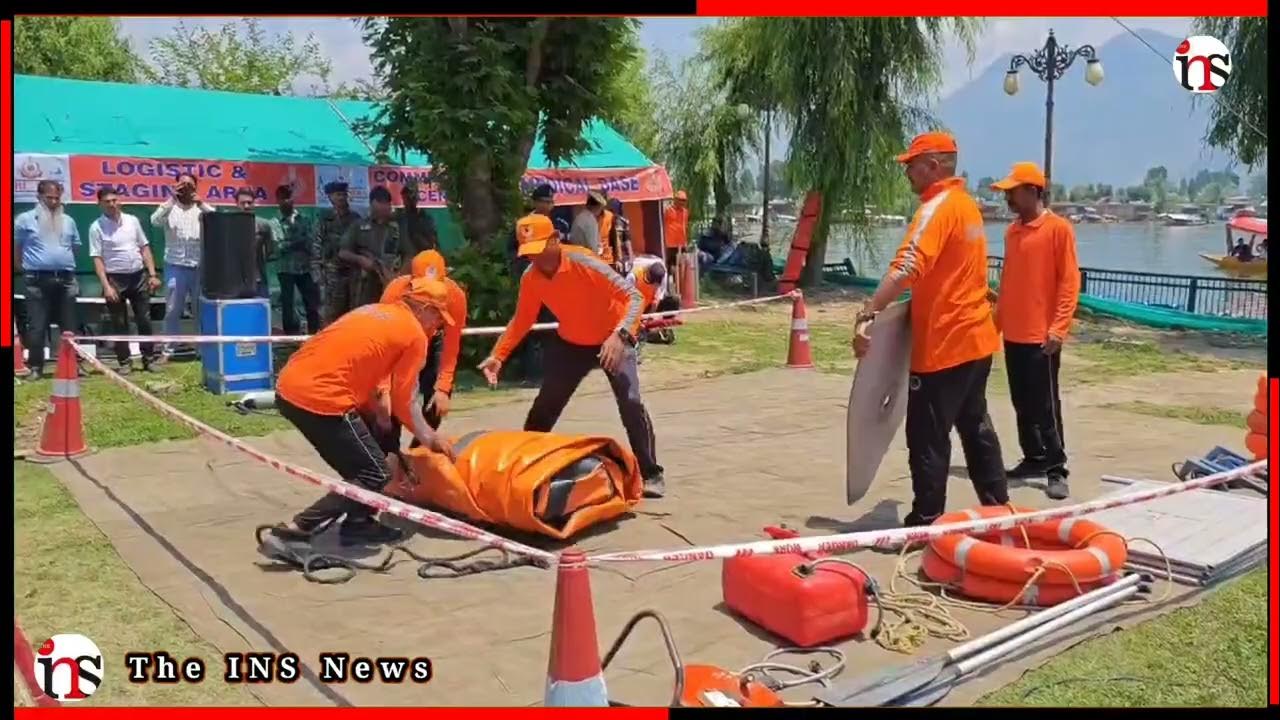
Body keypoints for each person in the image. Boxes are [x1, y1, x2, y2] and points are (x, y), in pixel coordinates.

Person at [852, 131, 1008, 527]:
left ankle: (926, 520)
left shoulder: (936, 209)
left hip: (945, 345)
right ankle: (999, 508)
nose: (907, 172)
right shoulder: (967, 207)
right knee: (975, 425)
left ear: (934, 167)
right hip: (976, 339)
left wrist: (870, 311)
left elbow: (907, 266)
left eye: (912, 165)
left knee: (927, 435)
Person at [478, 215, 667, 498]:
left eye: (541, 249)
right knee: (546, 404)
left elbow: (635, 297)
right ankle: (523, 464)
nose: (537, 258)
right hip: (572, 344)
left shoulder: (584, 262)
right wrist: (498, 356)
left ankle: (651, 473)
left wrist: (621, 335)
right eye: (529, 253)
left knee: (630, 401)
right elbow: (521, 321)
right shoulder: (531, 278)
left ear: (555, 239)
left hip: (613, 338)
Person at [267, 277, 458, 546]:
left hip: (289, 388)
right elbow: (405, 400)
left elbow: (361, 364)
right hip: (324, 399)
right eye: (438, 318)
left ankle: (359, 522)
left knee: (365, 464)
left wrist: (377, 412)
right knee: (376, 473)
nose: (437, 327)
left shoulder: (374, 312)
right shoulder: (414, 335)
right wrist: (429, 438)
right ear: (424, 308)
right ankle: (298, 529)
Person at [991, 163, 1080, 501]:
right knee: (1021, 401)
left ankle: (1056, 468)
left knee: (1045, 405)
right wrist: (995, 323)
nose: (1008, 198)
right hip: (1013, 332)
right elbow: (1011, 281)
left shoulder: (1059, 230)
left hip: (1041, 337)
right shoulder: (1013, 232)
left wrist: (1058, 328)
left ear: (1032, 191)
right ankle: (1033, 458)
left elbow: (1069, 283)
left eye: (1013, 192)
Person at [380, 250, 469, 434]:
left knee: (436, 404)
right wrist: (384, 388)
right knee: (388, 408)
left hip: (432, 341)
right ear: (411, 280)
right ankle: (389, 452)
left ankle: (421, 450)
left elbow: (452, 345)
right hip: (399, 346)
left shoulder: (456, 297)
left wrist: (443, 388)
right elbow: (383, 347)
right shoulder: (395, 291)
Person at [15, 180, 84, 377]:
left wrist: (61, 262)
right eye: (49, 197)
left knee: (69, 324)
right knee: (37, 325)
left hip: (66, 279)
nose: (53, 201)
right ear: (39, 197)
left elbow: (76, 247)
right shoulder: (25, 219)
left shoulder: (68, 220)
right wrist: (25, 269)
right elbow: (16, 248)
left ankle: (74, 366)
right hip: (36, 280)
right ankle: (36, 367)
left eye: (56, 198)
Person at [88, 186, 161, 373]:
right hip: (115, 279)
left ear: (119, 201)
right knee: (119, 323)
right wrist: (106, 286)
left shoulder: (132, 221)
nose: (112, 205)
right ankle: (125, 362)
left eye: (115, 200)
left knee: (144, 320)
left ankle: (149, 359)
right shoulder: (96, 227)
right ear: (100, 204)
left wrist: (152, 274)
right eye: (107, 202)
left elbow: (144, 248)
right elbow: (97, 258)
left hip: (138, 276)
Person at [151, 172, 215, 358]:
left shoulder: (201, 209)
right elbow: (154, 221)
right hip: (175, 265)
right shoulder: (170, 208)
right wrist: (172, 198)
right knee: (172, 309)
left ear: (195, 188)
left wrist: (200, 202)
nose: (186, 188)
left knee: (200, 310)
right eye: (182, 185)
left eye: (190, 185)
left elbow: (217, 220)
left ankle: (202, 350)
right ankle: (168, 350)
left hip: (199, 267)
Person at [337, 185, 400, 312]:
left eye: (386, 204)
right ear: (372, 204)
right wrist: (360, 259)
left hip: (390, 283)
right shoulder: (359, 226)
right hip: (364, 285)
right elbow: (343, 252)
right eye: (380, 204)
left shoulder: (397, 227)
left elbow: (408, 254)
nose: (384, 208)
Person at [273, 184, 322, 334]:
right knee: (288, 304)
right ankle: (290, 337)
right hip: (285, 268)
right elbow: (278, 246)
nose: (287, 201)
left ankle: (314, 333)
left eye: (289, 197)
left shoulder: (304, 219)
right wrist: (297, 242)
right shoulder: (275, 222)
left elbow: (311, 241)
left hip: (304, 267)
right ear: (278, 201)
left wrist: (293, 243)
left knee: (312, 302)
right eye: (283, 198)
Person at [314, 181, 363, 327]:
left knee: (353, 309)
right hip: (331, 273)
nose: (341, 197)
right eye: (337, 195)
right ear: (330, 197)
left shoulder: (355, 218)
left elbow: (362, 244)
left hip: (353, 272)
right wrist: (317, 273)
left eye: (343, 194)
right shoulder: (324, 219)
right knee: (331, 312)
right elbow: (316, 245)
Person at [234, 187, 277, 299]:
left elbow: (270, 251)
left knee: (260, 312)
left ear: (255, 203)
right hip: (234, 281)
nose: (246, 206)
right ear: (236, 204)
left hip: (259, 279)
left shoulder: (264, 225)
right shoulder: (230, 225)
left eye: (249, 202)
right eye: (243, 203)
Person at [395, 179, 438, 257]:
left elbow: (430, 244)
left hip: (422, 258)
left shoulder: (425, 219)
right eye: (404, 199)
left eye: (407, 199)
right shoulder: (402, 217)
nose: (405, 202)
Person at [663, 190, 690, 293]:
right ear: (675, 200)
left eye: (684, 200)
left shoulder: (685, 212)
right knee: (670, 266)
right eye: (680, 200)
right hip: (670, 244)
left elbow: (685, 227)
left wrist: (686, 242)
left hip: (682, 244)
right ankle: (670, 288)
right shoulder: (668, 210)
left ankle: (682, 288)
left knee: (681, 266)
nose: (682, 202)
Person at [608, 198, 634, 272]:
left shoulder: (623, 222)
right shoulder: (605, 221)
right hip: (609, 256)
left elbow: (627, 240)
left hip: (621, 257)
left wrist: (631, 257)